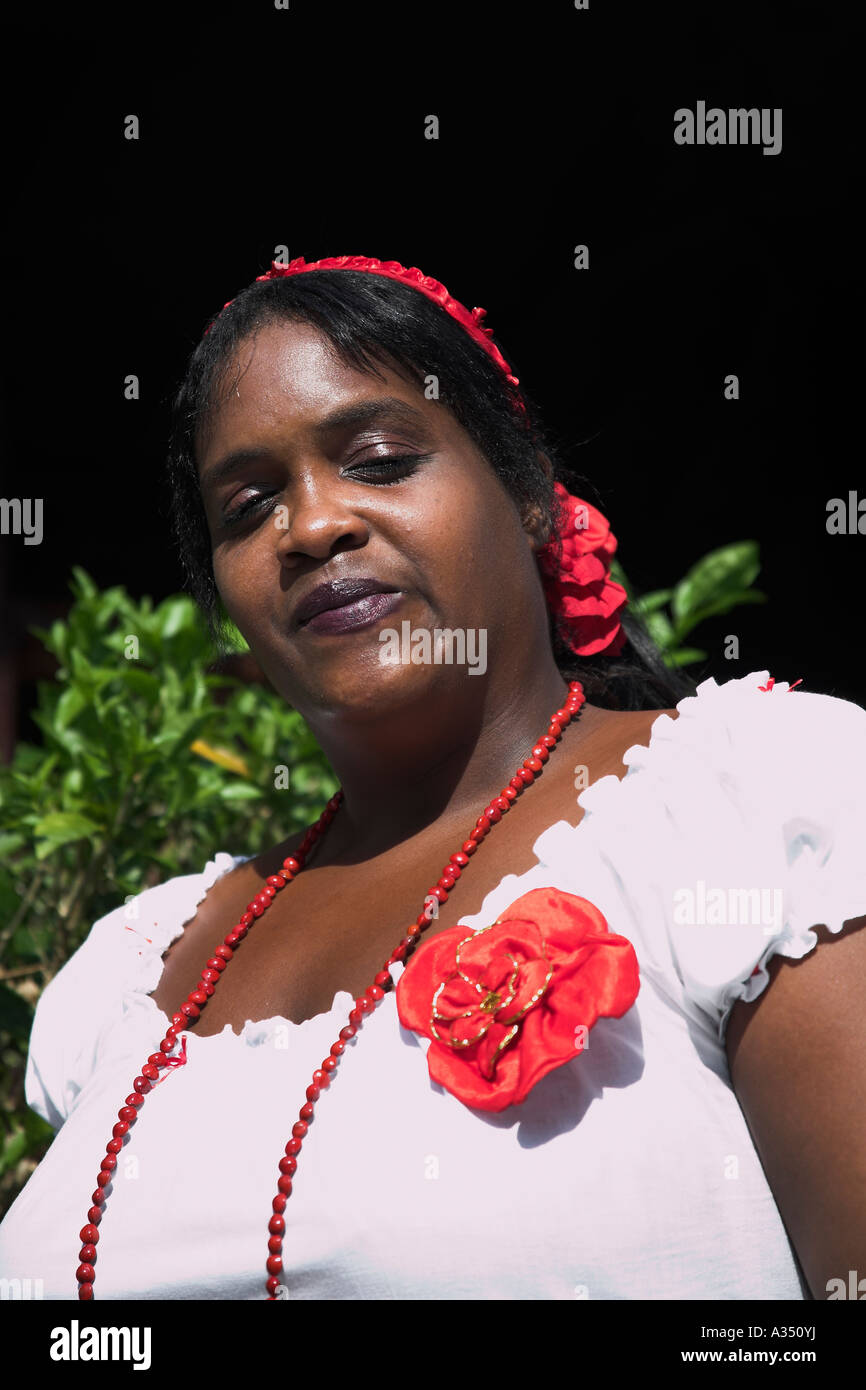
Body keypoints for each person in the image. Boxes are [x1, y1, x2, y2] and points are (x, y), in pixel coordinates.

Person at [1, 256, 864, 1302]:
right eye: (247, 506)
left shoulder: (757, 802)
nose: (312, 525)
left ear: (531, 496)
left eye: (376, 459)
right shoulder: (132, 969)